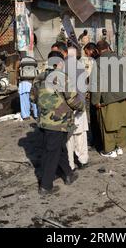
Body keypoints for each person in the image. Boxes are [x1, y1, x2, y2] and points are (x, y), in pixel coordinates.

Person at [31, 51, 84, 196]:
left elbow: (32, 98)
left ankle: (68, 174)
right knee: (52, 153)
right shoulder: (63, 78)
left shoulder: (39, 78)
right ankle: (46, 186)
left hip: (44, 121)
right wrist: (81, 107)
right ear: (59, 63)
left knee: (59, 148)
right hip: (58, 122)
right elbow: (72, 100)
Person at [91, 41, 126, 158]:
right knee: (122, 122)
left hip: (108, 98)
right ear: (109, 47)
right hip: (124, 96)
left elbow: (96, 83)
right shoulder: (121, 59)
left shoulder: (99, 62)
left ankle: (110, 150)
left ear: (98, 50)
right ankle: (120, 147)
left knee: (108, 124)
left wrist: (95, 101)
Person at [66, 47, 90, 170]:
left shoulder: (61, 66)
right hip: (78, 106)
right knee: (80, 135)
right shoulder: (80, 67)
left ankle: (70, 164)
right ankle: (83, 160)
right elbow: (83, 89)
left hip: (66, 107)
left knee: (69, 137)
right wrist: (81, 105)